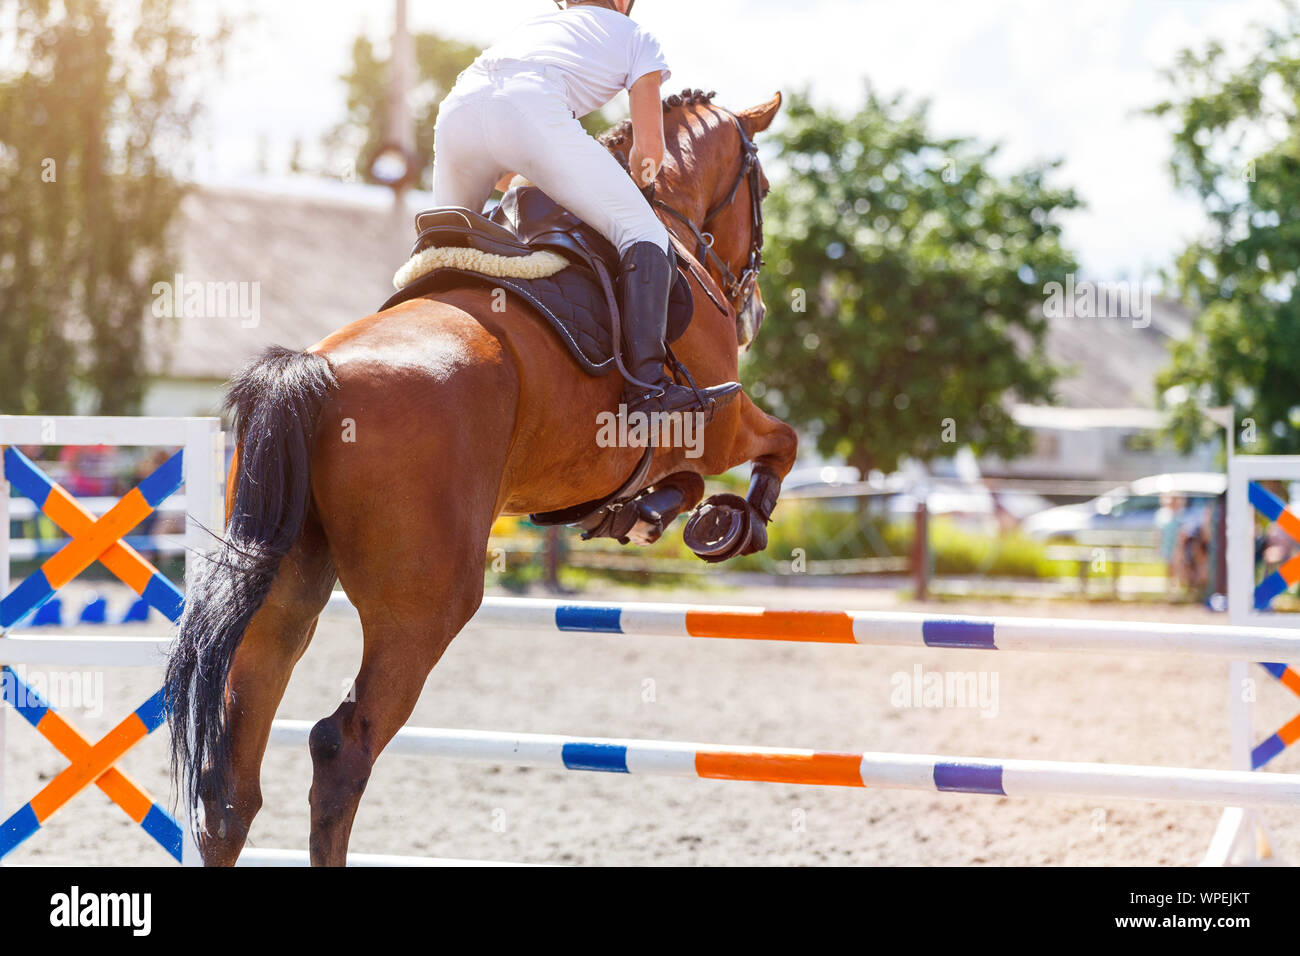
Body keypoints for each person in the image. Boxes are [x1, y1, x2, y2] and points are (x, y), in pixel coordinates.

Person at [430, 0, 741, 418]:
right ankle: (648, 393)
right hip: (529, 109)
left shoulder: (540, 26)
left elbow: (509, 172)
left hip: (456, 114)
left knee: (439, 249)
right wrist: (638, 186)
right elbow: (648, 152)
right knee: (643, 232)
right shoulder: (637, 37)